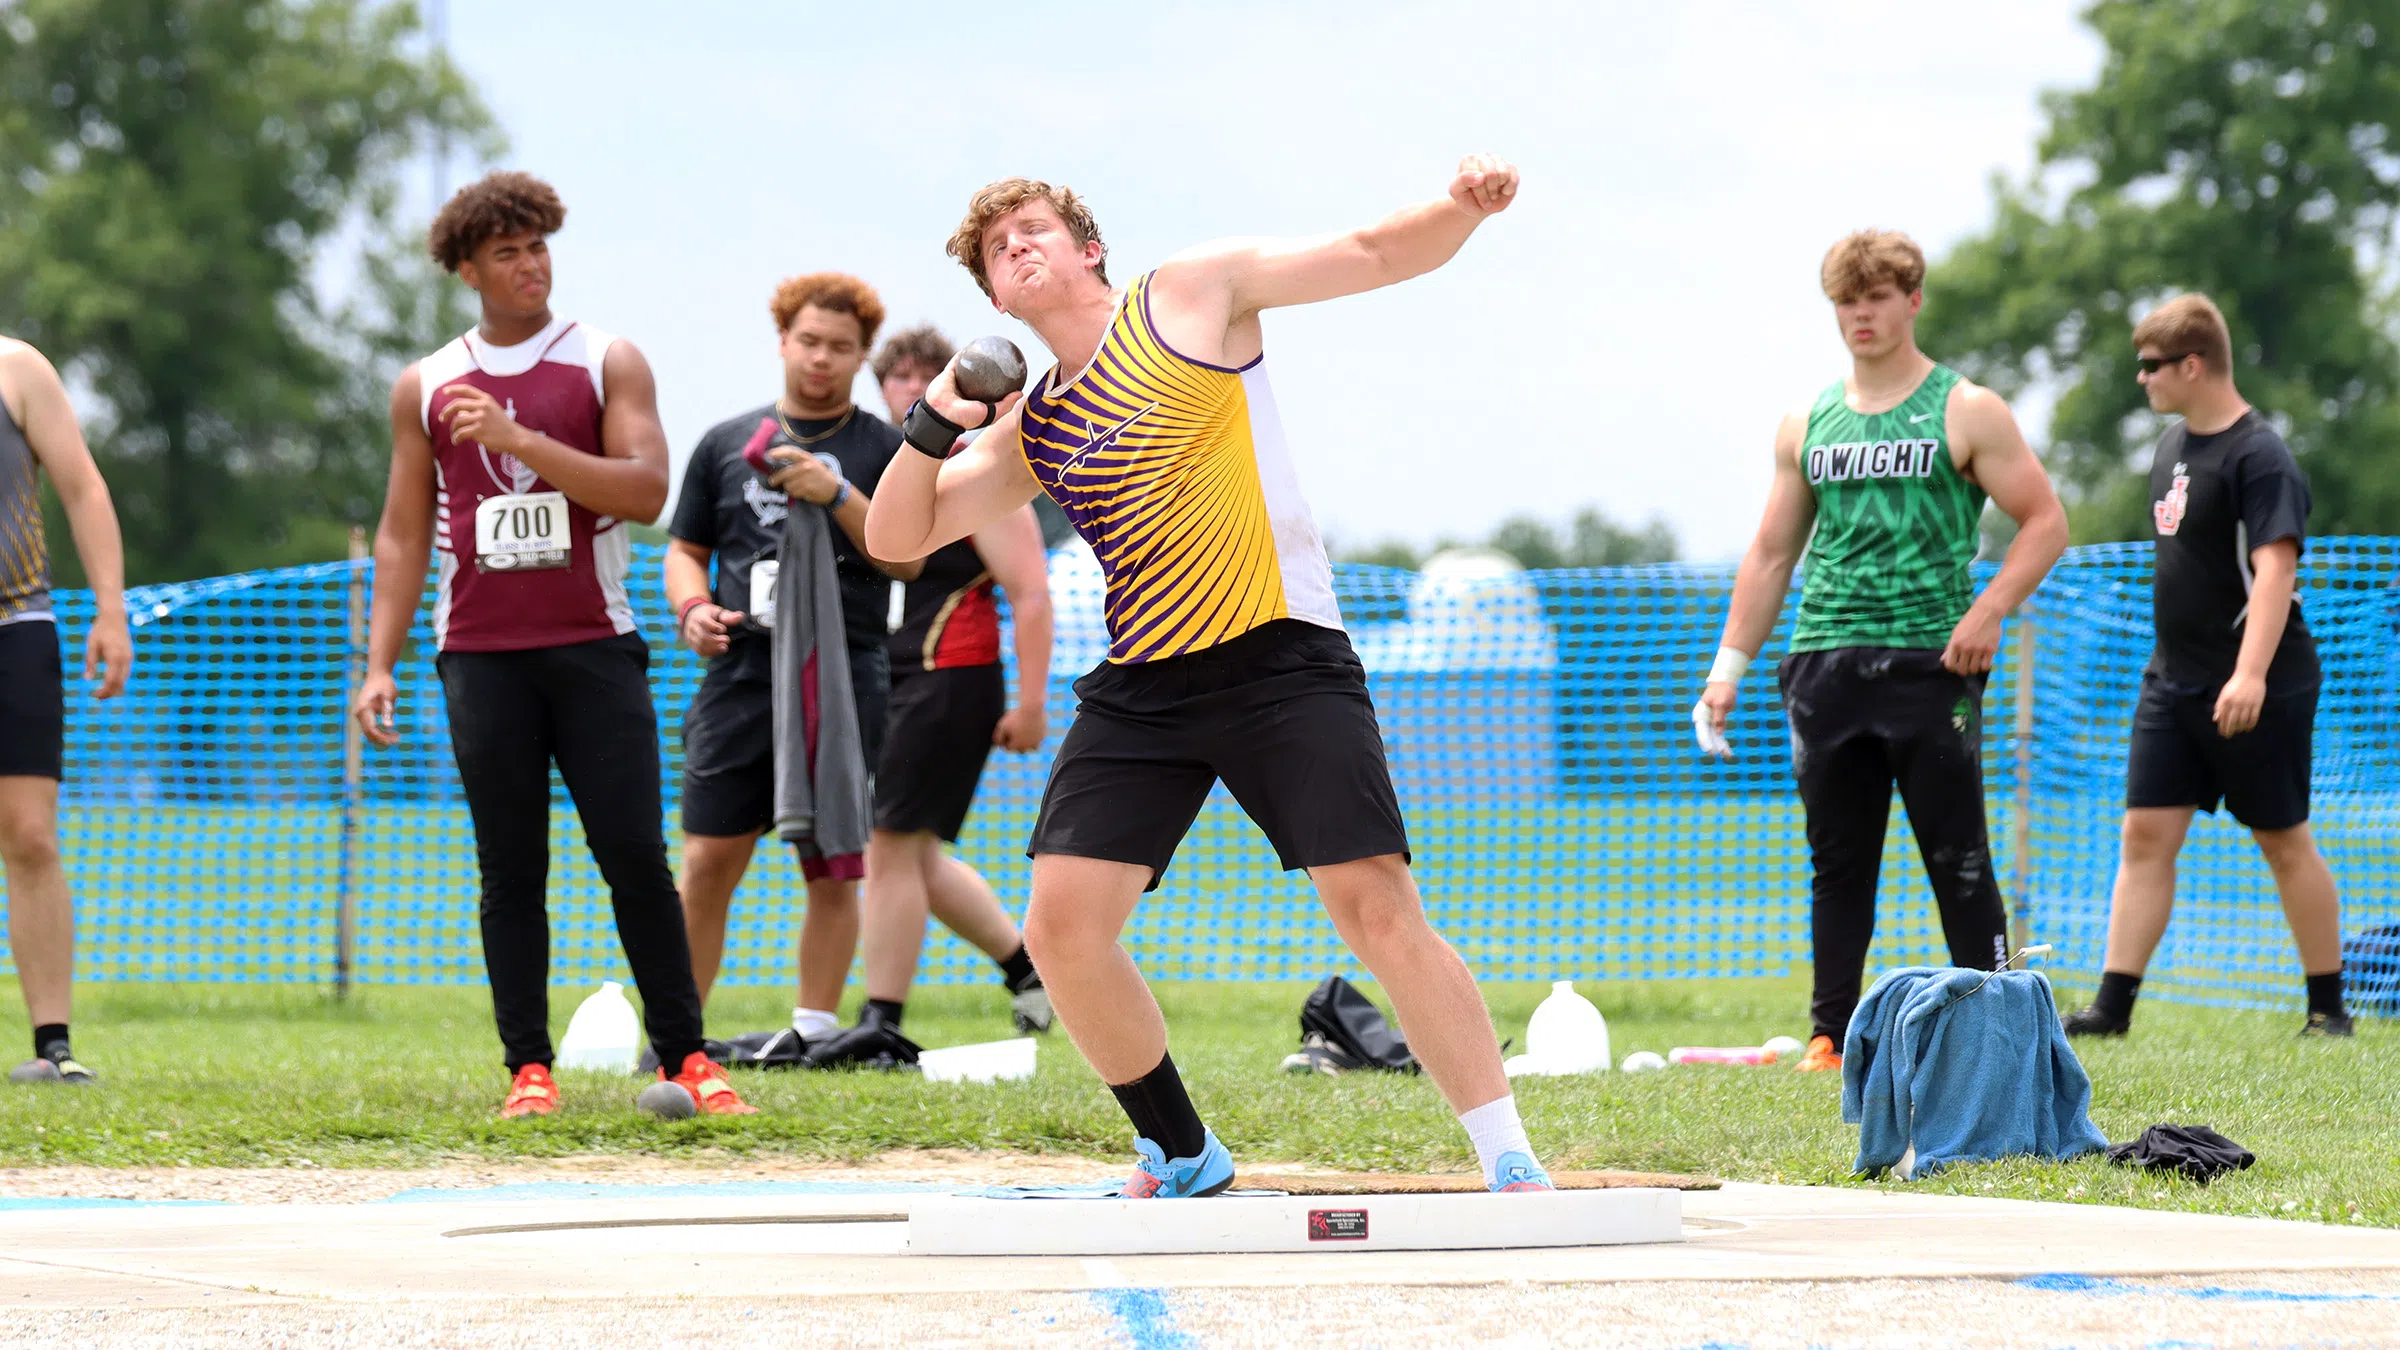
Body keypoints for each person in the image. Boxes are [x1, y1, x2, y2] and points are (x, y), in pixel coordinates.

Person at [867, 159, 1556, 1198]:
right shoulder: (1035, 423)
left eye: (1033, 229)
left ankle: (1508, 1157)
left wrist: (1460, 209)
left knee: (1374, 905)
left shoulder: (1191, 295)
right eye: (997, 252)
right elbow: (896, 535)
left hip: (1280, 652)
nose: (1016, 247)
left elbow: (1373, 252)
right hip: (1146, 683)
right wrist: (932, 419)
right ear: (999, 302)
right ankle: (1181, 1152)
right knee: (1060, 929)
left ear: (1088, 247)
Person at [353, 171, 752, 1118]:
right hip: (479, 654)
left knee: (633, 856)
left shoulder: (606, 359)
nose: (530, 266)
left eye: (538, 248)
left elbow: (644, 491)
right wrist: (379, 663)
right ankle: (528, 1071)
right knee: (510, 868)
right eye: (507, 253)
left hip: (594, 646)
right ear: (467, 270)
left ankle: (687, 1058)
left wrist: (519, 439)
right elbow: (402, 533)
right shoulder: (426, 385)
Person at [1694, 230, 2068, 1073]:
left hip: (1931, 662)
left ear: (1913, 300)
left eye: (1877, 296)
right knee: (1839, 862)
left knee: (1958, 857)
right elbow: (1772, 554)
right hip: (1824, 662)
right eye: (1846, 300)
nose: (1860, 314)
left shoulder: (1966, 407)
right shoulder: (1806, 421)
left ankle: (1998, 1026)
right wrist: (1727, 669)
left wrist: (1989, 610)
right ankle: (1829, 1037)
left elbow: (2045, 521)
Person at [2063, 295, 2351, 1038]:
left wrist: (2249, 675)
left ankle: (2329, 1009)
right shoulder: (2170, 447)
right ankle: (2112, 1008)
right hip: (2173, 681)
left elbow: (2276, 571)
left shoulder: (2261, 456)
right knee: (2144, 835)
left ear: (2192, 365)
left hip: (2259, 682)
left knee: (2282, 840)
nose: (2142, 378)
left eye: (2152, 365)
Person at [665, 274, 920, 1043]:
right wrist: (692, 609)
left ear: (862, 355)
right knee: (707, 858)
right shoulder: (724, 443)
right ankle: (678, 1035)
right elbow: (685, 551)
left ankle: (811, 1032)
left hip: (844, 675)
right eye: (808, 341)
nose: (820, 358)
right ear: (782, 340)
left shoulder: (886, 448)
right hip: (742, 672)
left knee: (833, 857)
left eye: (840, 347)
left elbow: (908, 557)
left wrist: (835, 492)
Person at [799, 327, 1055, 1069]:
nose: (911, 389)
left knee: (891, 847)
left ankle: (882, 1021)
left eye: (926, 376)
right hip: (888, 678)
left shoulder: (978, 468)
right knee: (909, 853)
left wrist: (1031, 704)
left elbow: (1031, 593)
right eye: (898, 378)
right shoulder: (889, 471)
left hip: (952, 674)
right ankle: (1025, 967)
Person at [0, 338, 132, 1087]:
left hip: (15, 624)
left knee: (29, 834)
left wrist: (111, 611)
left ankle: (53, 1045)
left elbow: (83, 487)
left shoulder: (17, 369)